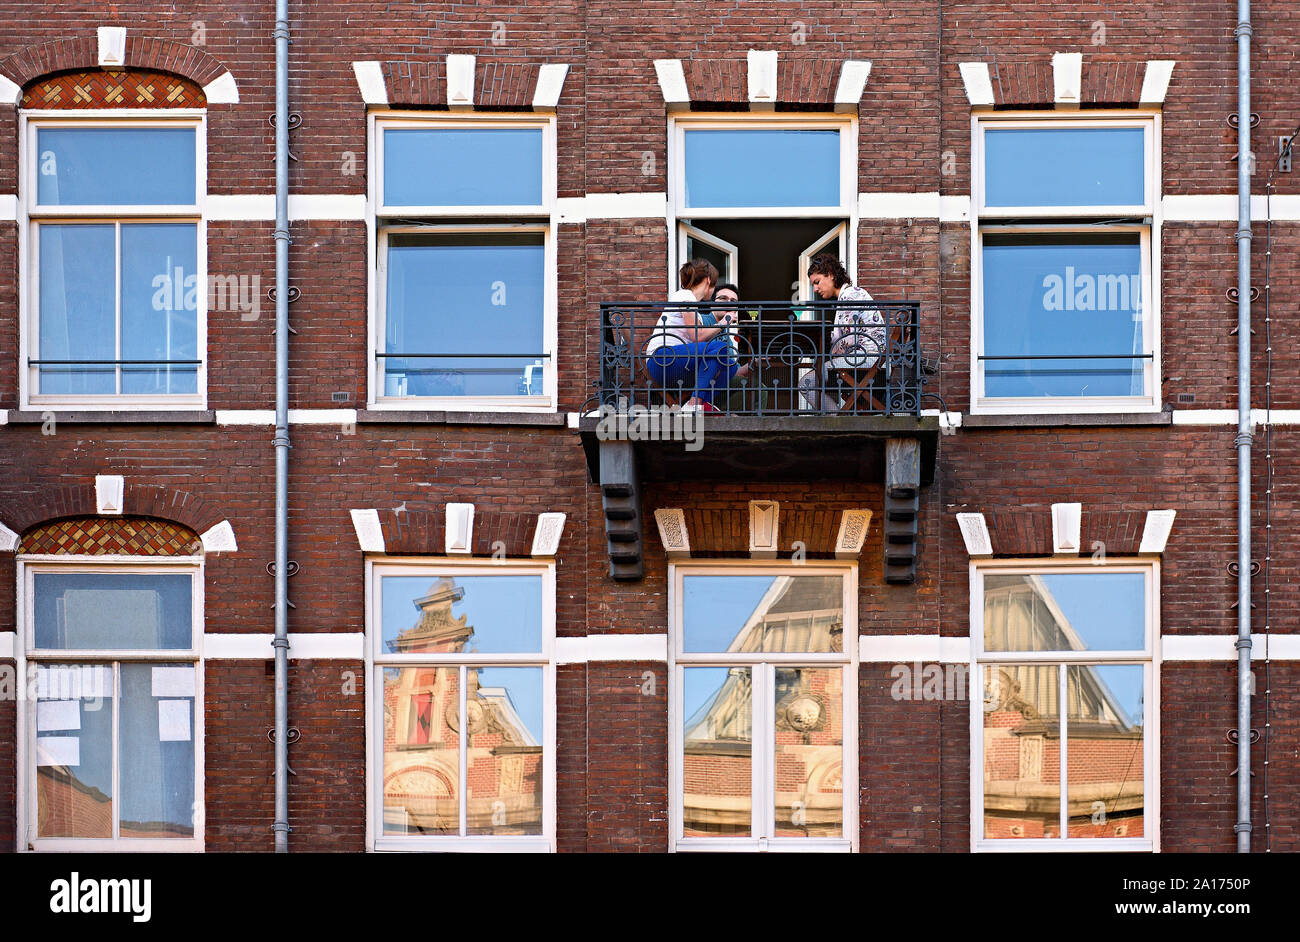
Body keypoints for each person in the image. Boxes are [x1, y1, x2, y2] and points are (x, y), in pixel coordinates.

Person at [644, 259, 740, 411]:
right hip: (662, 360)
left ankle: (702, 404)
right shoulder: (685, 296)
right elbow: (697, 336)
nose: (713, 289)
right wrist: (724, 322)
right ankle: (693, 404)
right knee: (720, 348)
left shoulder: (696, 310)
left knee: (730, 364)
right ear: (708, 280)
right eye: (713, 284)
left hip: (681, 362)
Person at [799, 254, 885, 411]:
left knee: (806, 383)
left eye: (817, 282)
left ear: (830, 274)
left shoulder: (849, 295)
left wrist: (826, 355)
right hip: (868, 358)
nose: (815, 289)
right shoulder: (850, 294)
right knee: (820, 373)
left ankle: (836, 420)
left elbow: (848, 340)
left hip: (865, 358)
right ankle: (838, 417)